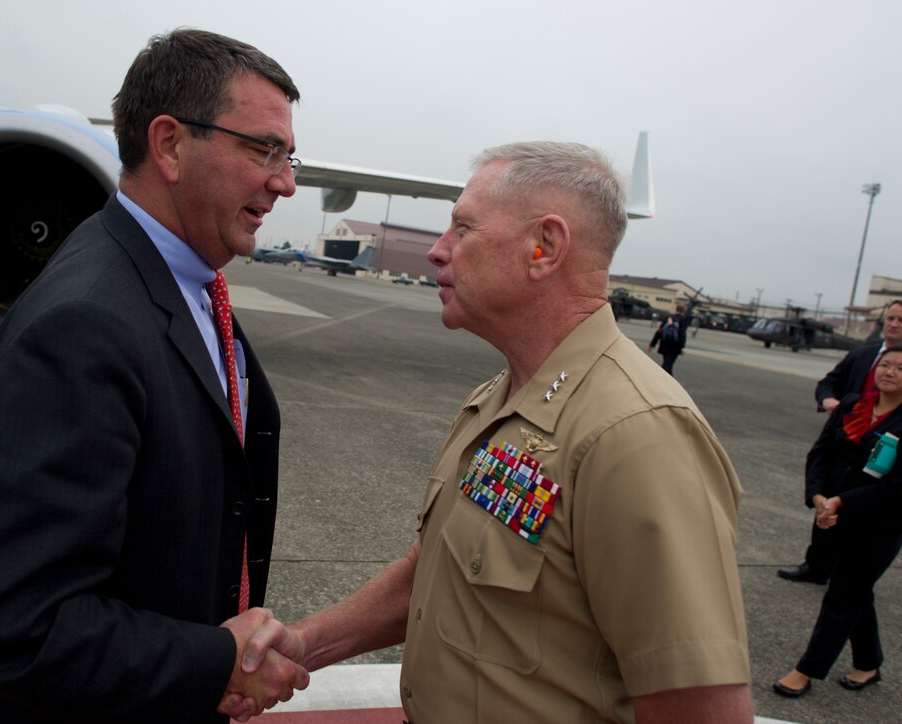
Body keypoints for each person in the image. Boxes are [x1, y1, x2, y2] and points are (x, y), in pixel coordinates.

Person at [240, 141, 753, 722]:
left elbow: (701, 708)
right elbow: (435, 575)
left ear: (545, 248)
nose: (437, 250)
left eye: (463, 228)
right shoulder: (499, 399)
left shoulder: (636, 434)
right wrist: (306, 644)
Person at [0, 29, 309, 723]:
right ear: (169, 145)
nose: (285, 182)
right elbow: (10, 624)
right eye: (263, 150)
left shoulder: (182, 285)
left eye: (288, 157)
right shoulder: (85, 323)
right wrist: (215, 662)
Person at [773, 346, 902, 698]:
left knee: (843, 594)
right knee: (857, 591)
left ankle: (806, 671)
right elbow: (821, 453)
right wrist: (817, 495)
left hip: (878, 525)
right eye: (885, 365)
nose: (889, 372)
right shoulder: (851, 405)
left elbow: (896, 487)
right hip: (832, 516)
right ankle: (868, 663)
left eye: (900, 368)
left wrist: (841, 501)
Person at [777, 299, 902, 584]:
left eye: (901, 320)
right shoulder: (862, 354)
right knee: (828, 508)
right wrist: (829, 400)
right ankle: (817, 567)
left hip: (881, 459)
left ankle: (850, 575)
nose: (894, 324)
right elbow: (828, 383)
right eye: (891, 318)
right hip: (846, 440)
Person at [647, 303, 687, 376]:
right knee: (667, 365)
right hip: (675, 346)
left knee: (668, 364)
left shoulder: (668, 317)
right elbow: (682, 333)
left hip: (664, 344)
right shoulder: (682, 319)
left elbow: (659, 331)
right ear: (684, 311)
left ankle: (670, 381)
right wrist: (682, 347)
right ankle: (657, 377)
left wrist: (652, 344)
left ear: (676, 309)